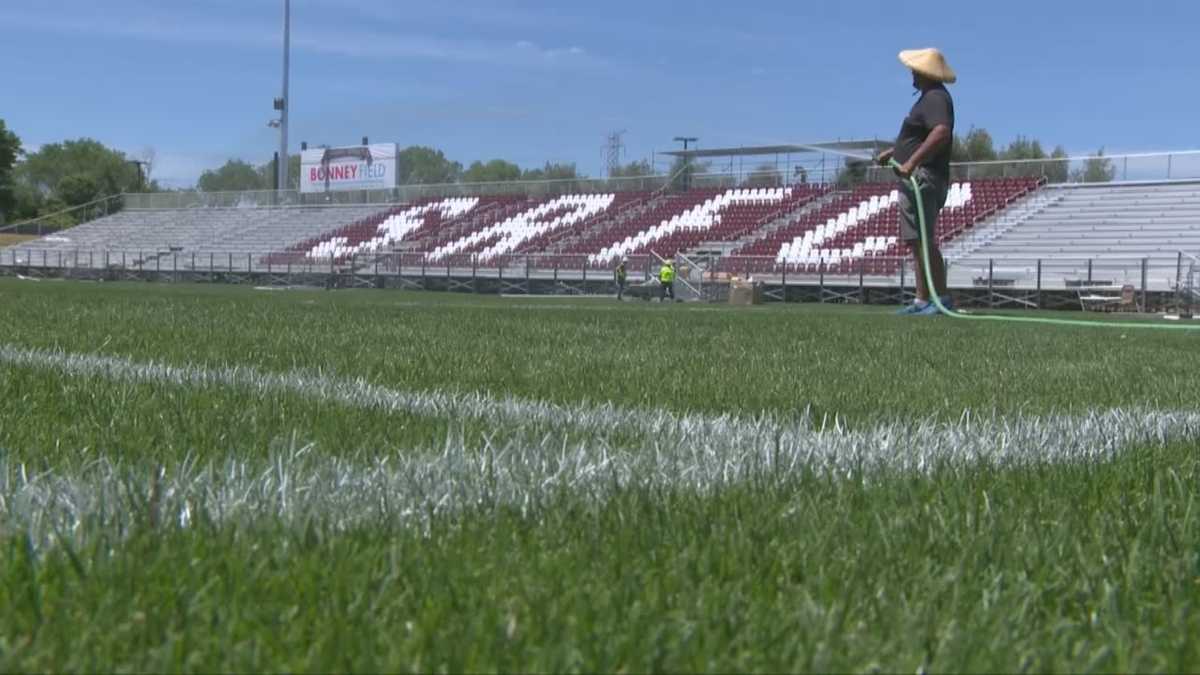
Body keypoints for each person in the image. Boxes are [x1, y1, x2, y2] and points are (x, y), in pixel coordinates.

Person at [876, 48, 956, 316]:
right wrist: (896, 152)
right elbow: (921, 136)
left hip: (923, 178)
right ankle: (923, 299)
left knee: (924, 240)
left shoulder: (934, 98)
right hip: (919, 176)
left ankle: (940, 298)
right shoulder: (929, 99)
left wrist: (911, 163)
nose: (911, 74)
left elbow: (941, 132)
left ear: (924, 73)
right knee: (916, 241)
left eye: (914, 70)